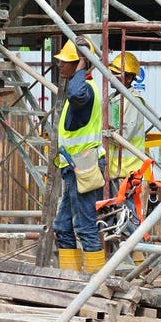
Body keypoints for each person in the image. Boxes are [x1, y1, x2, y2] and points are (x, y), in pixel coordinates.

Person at [53, 36, 106, 274]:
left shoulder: (84, 89)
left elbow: (74, 94)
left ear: (81, 63)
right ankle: (71, 281)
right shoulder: (81, 87)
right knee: (62, 226)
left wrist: (83, 66)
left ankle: (94, 285)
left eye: (68, 61)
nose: (60, 64)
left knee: (85, 226)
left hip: (84, 166)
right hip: (73, 167)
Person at [108, 51, 146, 264]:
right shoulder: (117, 97)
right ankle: (129, 259)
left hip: (129, 169)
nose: (113, 77)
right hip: (117, 167)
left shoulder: (133, 100)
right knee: (118, 214)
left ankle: (139, 260)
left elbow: (125, 133)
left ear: (130, 77)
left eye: (118, 73)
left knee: (129, 213)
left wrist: (105, 133)